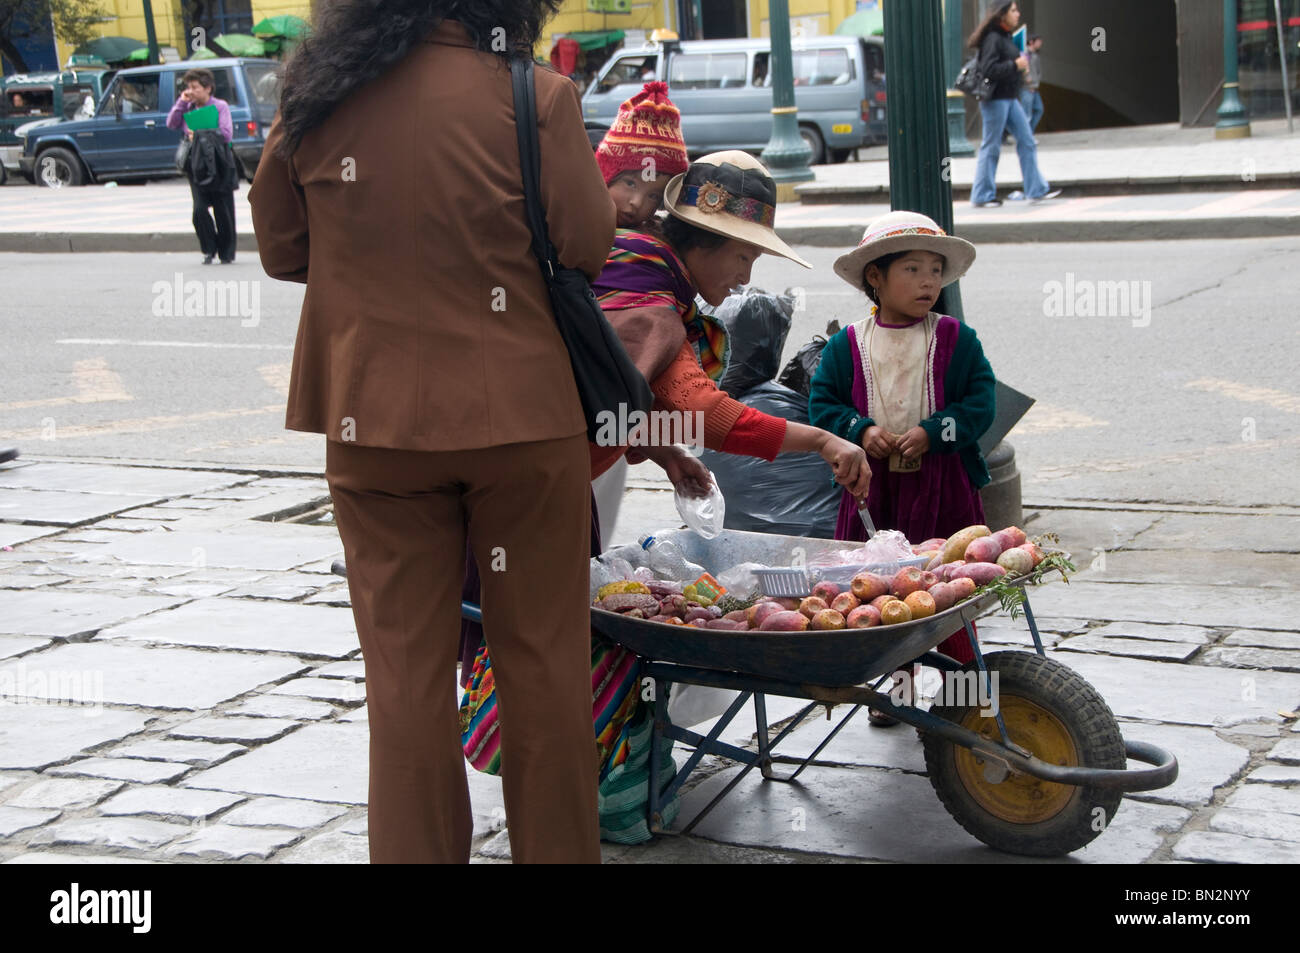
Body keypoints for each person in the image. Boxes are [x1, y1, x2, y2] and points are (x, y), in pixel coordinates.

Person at [249, 0, 615, 865]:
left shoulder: (320, 96)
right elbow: (588, 244)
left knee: (403, 679)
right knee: (545, 671)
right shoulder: (537, 95)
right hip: (523, 420)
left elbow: (280, 247)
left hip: (372, 422)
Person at [460, 151, 872, 842]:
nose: (743, 278)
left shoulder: (620, 263)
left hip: (516, 472)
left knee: (529, 638)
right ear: (699, 242)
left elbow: (594, 395)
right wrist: (825, 442)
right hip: (527, 494)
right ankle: (550, 792)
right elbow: (718, 415)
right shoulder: (651, 305)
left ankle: (563, 777)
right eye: (741, 258)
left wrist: (662, 449)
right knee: (533, 647)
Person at [810, 211, 996, 725]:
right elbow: (822, 405)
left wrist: (936, 433)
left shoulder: (957, 340)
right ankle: (900, 691)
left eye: (935, 270)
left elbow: (982, 403)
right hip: (875, 489)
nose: (928, 282)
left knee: (948, 587)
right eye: (912, 269)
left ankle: (965, 697)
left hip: (944, 487)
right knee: (884, 589)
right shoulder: (847, 345)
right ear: (876, 276)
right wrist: (861, 431)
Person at [967, 2, 1058, 208]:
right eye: (1013, 10)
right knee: (991, 145)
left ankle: (1036, 190)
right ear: (1002, 14)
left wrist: (1020, 69)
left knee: (1027, 140)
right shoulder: (993, 38)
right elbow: (988, 68)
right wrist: (1014, 65)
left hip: (1010, 98)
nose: (1018, 14)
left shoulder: (1006, 37)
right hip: (996, 100)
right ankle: (981, 194)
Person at [166, 68, 237, 264]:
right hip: (196, 164)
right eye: (189, 87)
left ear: (208, 88)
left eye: (195, 87)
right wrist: (181, 102)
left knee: (223, 209)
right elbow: (171, 123)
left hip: (219, 162)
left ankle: (226, 252)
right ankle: (208, 248)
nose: (191, 91)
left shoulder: (220, 106)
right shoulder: (188, 107)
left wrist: (199, 133)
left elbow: (226, 133)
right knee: (199, 209)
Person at [1019, 34, 1044, 136]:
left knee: (1039, 109)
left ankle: (1029, 133)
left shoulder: (1035, 55)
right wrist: (1026, 80)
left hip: (1034, 87)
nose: (1040, 43)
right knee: (1027, 114)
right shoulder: (1024, 54)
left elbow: (1038, 71)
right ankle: (1026, 136)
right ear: (1031, 42)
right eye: (1038, 41)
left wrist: (1036, 81)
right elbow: (1022, 70)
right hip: (1026, 88)